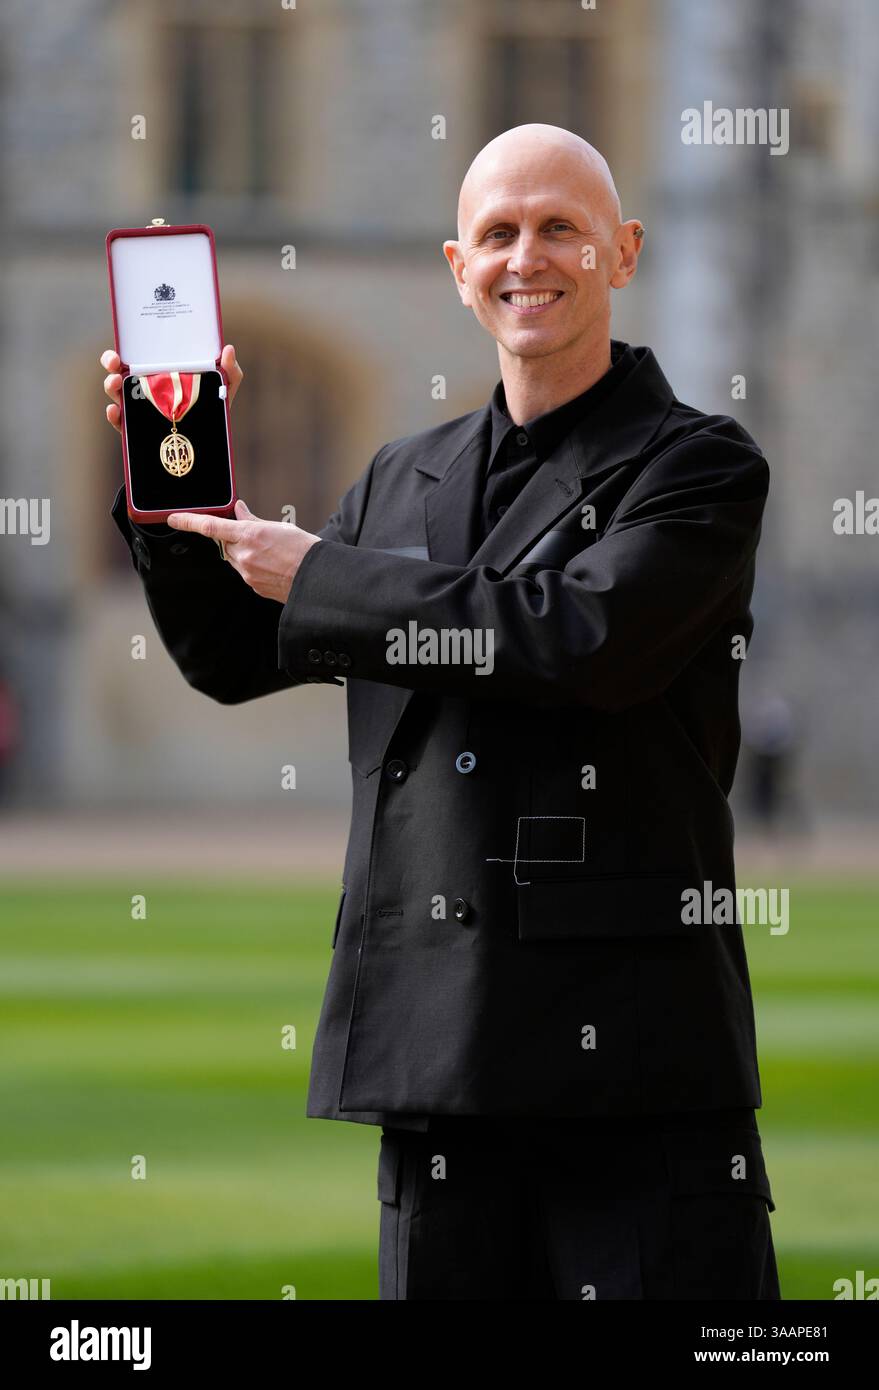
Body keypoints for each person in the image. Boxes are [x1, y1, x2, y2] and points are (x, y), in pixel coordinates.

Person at [102, 124, 780, 1300]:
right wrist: (173, 480)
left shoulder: (701, 466)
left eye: (561, 227)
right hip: (436, 1060)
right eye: (499, 234)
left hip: (630, 1068)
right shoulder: (400, 479)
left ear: (621, 252)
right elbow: (233, 654)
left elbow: (581, 638)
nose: (531, 256)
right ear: (458, 269)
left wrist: (324, 571)